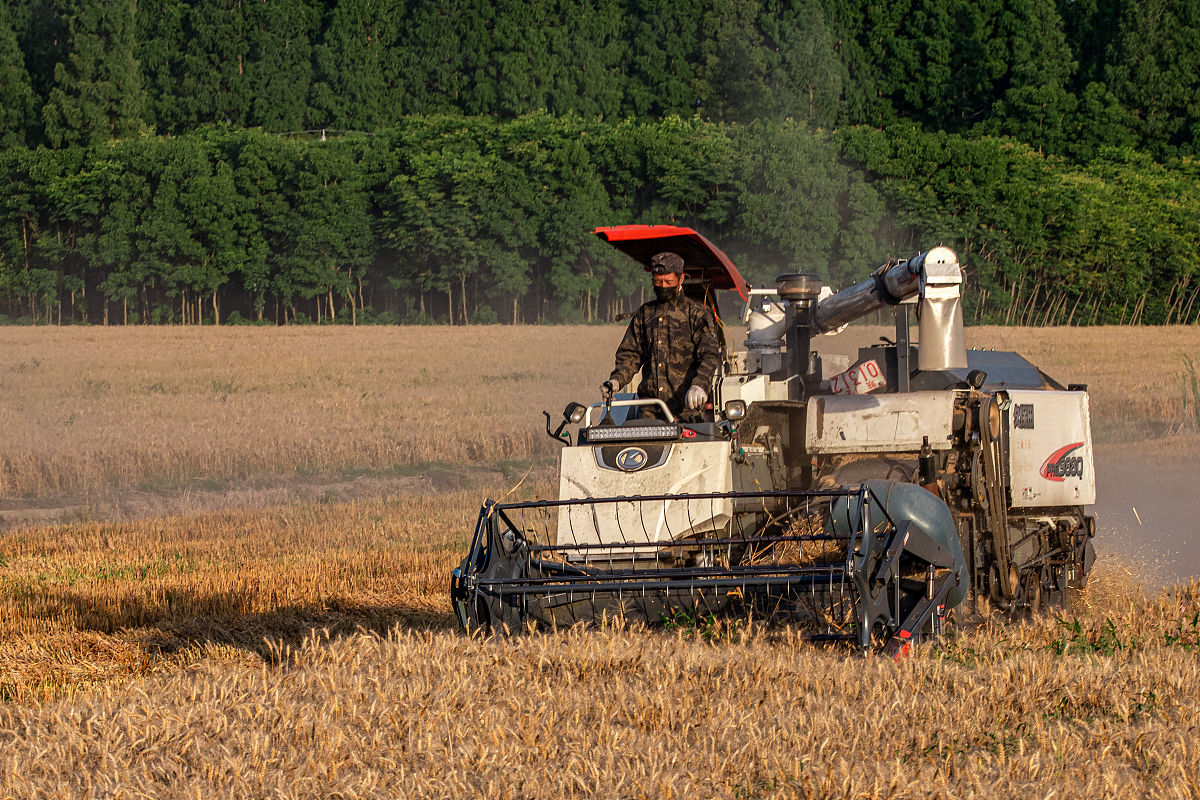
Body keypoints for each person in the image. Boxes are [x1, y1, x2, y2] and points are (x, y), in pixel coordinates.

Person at [601, 251, 722, 417]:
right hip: (650, 408)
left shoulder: (697, 314)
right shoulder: (645, 314)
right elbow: (630, 355)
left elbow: (709, 355)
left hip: (686, 409)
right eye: (658, 282)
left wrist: (699, 385)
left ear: (680, 280)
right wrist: (616, 380)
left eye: (668, 281)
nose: (663, 286)